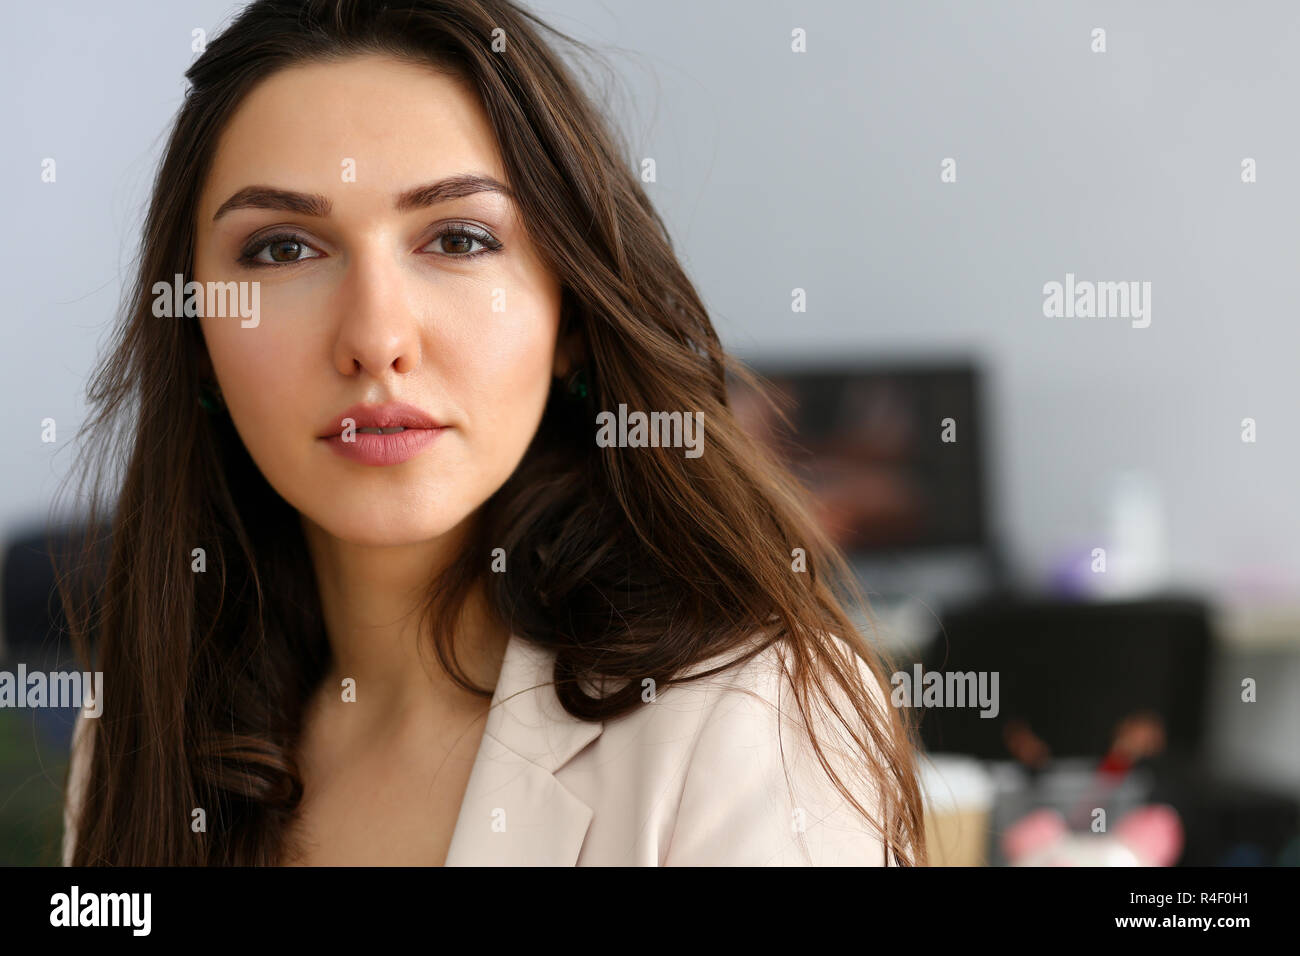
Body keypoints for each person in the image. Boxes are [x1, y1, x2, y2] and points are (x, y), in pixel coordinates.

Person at [59, 0, 927, 866]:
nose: (376, 339)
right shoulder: (134, 738)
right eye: (284, 250)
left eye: (459, 238)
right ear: (196, 332)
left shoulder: (746, 721)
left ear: (572, 316)